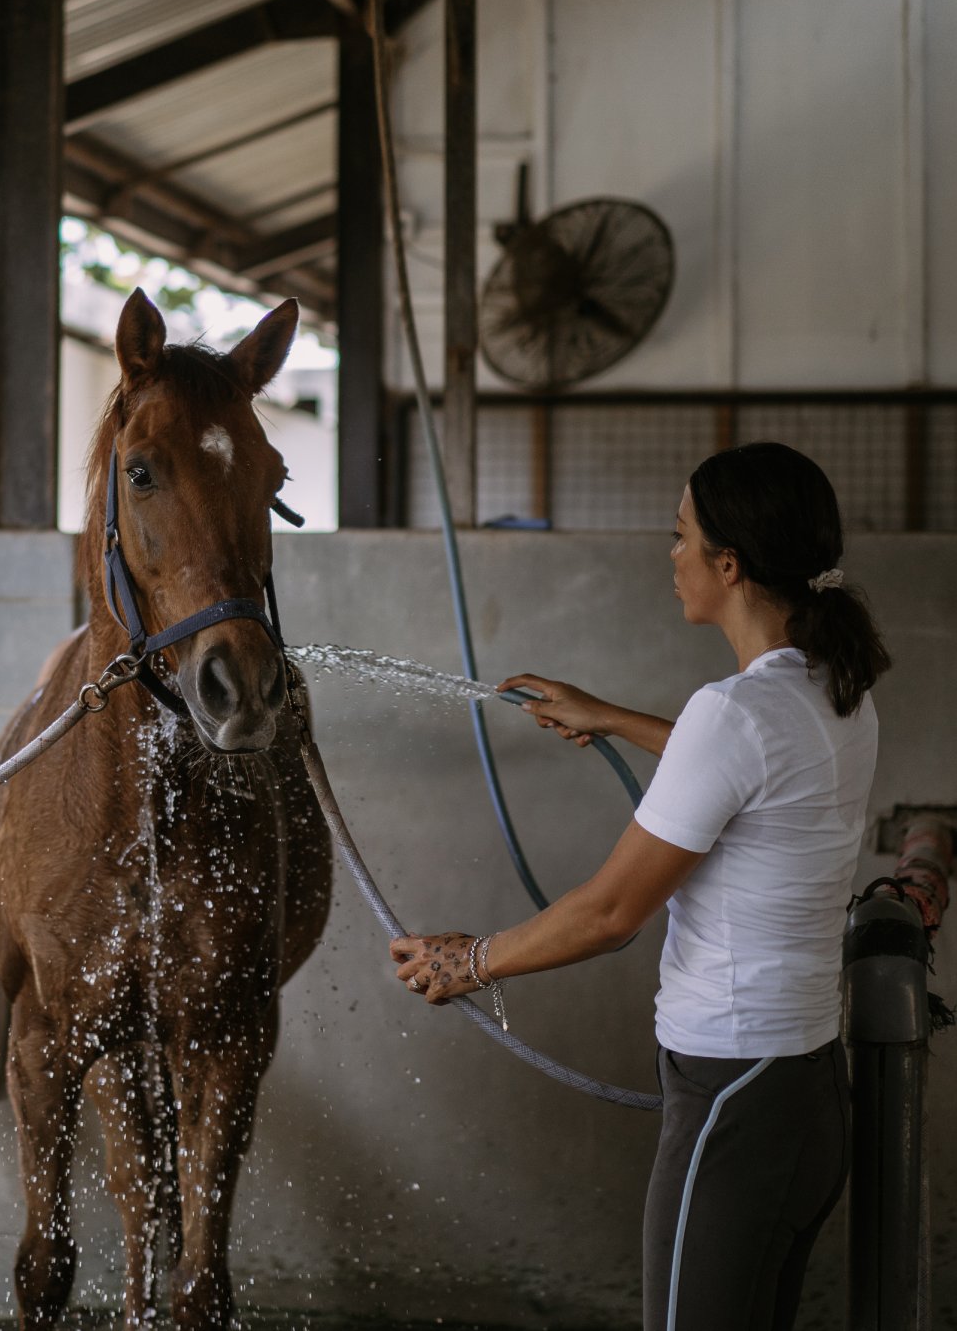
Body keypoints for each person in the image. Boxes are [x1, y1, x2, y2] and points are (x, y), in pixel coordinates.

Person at [390, 441, 891, 1331]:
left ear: (728, 566)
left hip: (731, 1099)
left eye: (681, 535)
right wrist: (612, 717)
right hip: (808, 1090)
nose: (672, 554)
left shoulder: (733, 713)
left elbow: (612, 913)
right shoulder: (833, 688)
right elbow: (755, 771)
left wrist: (472, 960)